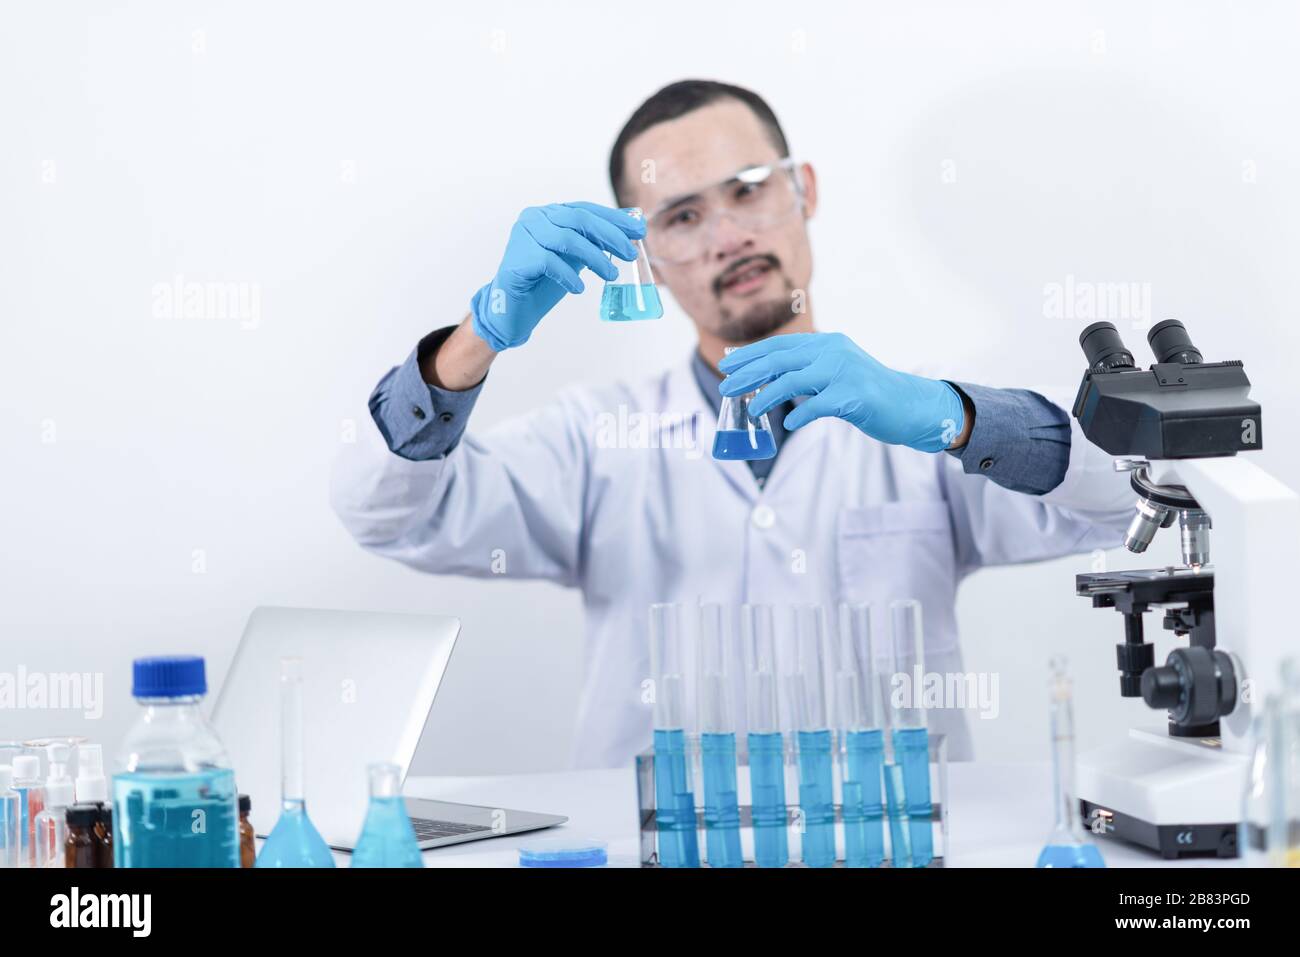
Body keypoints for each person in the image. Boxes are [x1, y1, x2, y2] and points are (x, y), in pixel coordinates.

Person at [330, 79, 1132, 767]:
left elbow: (1124, 495)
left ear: (804, 189)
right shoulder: (593, 440)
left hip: (883, 837)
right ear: (642, 252)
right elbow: (389, 511)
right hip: (660, 840)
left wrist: (953, 416)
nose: (728, 236)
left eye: (748, 188)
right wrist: (478, 336)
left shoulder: (917, 425)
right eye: (680, 216)